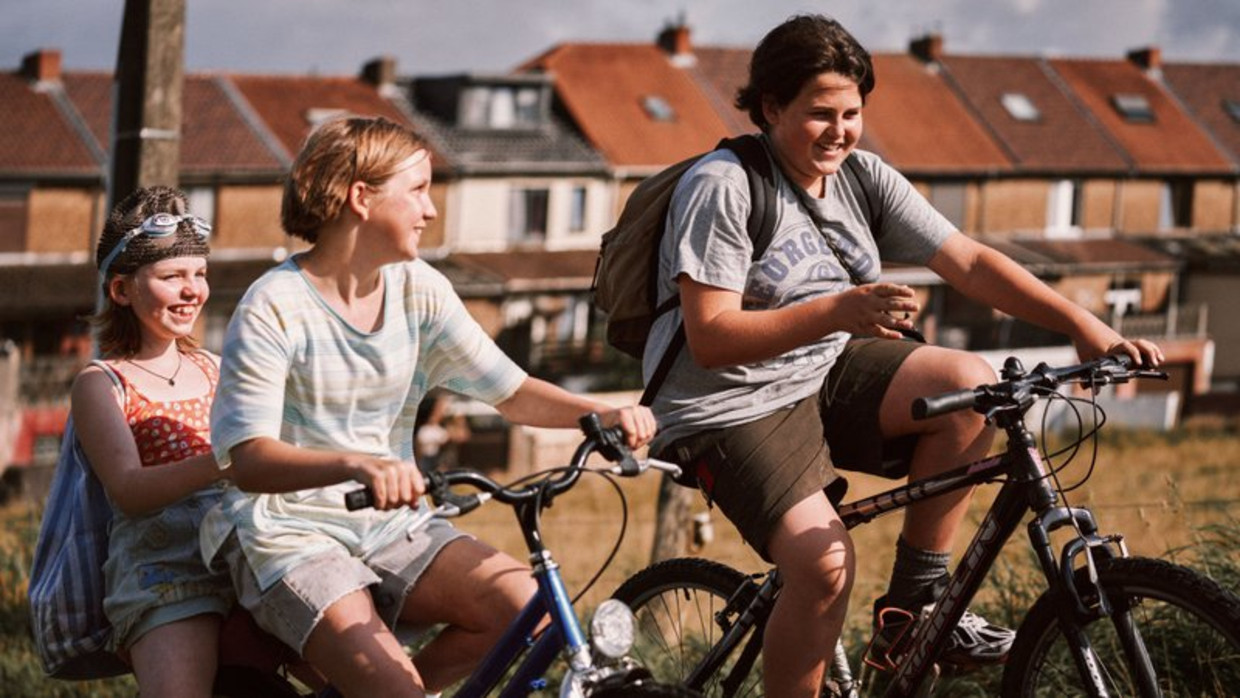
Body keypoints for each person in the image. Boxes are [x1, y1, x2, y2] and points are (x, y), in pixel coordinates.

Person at [644, 15, 1164, 697]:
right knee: (823, 566)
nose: (839, 130)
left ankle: (915, 609)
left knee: (972, 388)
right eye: (819, 113)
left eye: (852, 112)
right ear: (770, 108)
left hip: (821, 368)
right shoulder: (725, 186)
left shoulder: (860, 178)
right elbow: (710, 338)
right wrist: (838, 311)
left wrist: (1082, 324)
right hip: (724, 404)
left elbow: (970, 261)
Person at [201, 115, 656, 698]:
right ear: (360, 197)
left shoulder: (420, 288)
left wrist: (600, 413)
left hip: (392, 524)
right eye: (416, 190)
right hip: (288, 533)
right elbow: (248, 460)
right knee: (396, 690)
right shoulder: (274, 306)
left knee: (526, 610)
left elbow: (511, 390)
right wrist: (357, 464)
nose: (431, 209)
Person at [71, 186, 234, 697]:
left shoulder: (215, 367)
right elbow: (129, 490)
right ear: (121, 290)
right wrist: (225, 461)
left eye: (199, 274)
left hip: (244, 550)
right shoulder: (102, 383)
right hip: (165, 575)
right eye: (172, 277)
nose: (193, 291)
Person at [414, 392, 470, 472]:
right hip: (429, 459)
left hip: (438, 460)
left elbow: (462, 436)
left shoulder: (443, 428)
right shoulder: (428, 430)